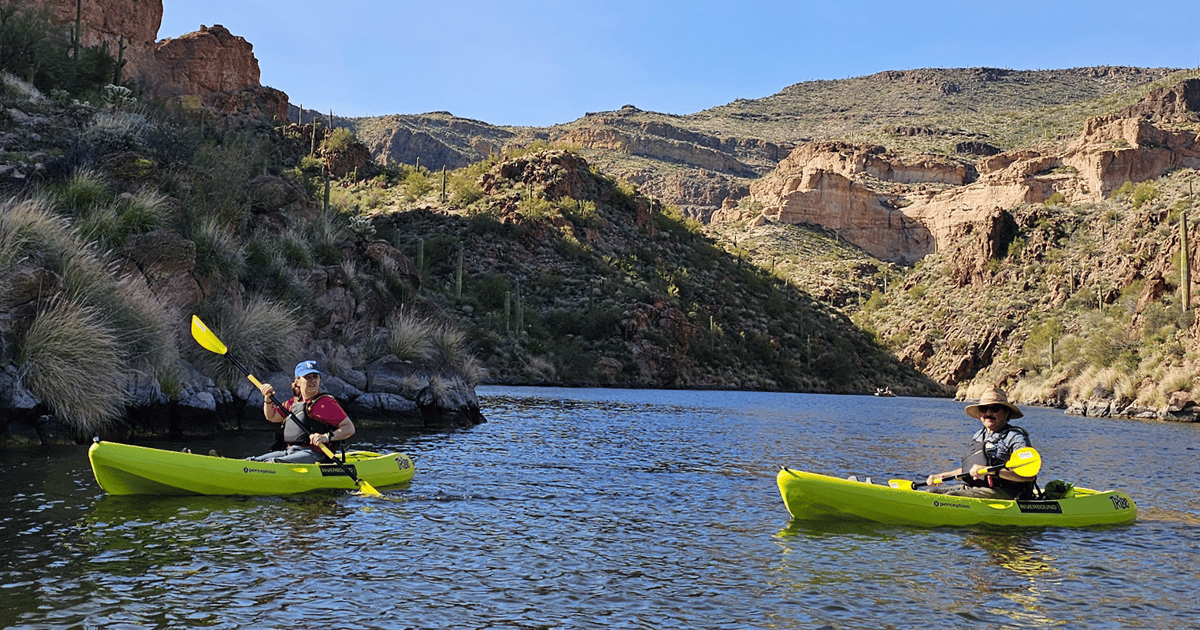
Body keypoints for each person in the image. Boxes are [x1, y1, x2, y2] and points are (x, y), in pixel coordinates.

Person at [924, 387, 1037, 499]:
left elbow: (1029, 476)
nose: (988, 413)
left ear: (1006, 413)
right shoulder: (979, 435)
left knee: (950, 497)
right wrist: (941, 476)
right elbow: (970, 470)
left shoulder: (1016, 438)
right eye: (984, 409)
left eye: (995, 409)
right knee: (930, 493)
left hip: (1007, 492)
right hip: (977, 488)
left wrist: (991, 471)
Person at [247, 360, 356, 463]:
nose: (312, 380)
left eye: (315, 376)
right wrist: (267, 398)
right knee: (252, 461)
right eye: (307, 377)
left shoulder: (326, 402)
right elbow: (272, 416)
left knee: (273, 463)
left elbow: (349, 428)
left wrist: (326, 437)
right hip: (289, 451)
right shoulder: (294, 402)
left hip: (315, 454)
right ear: (298, 381)